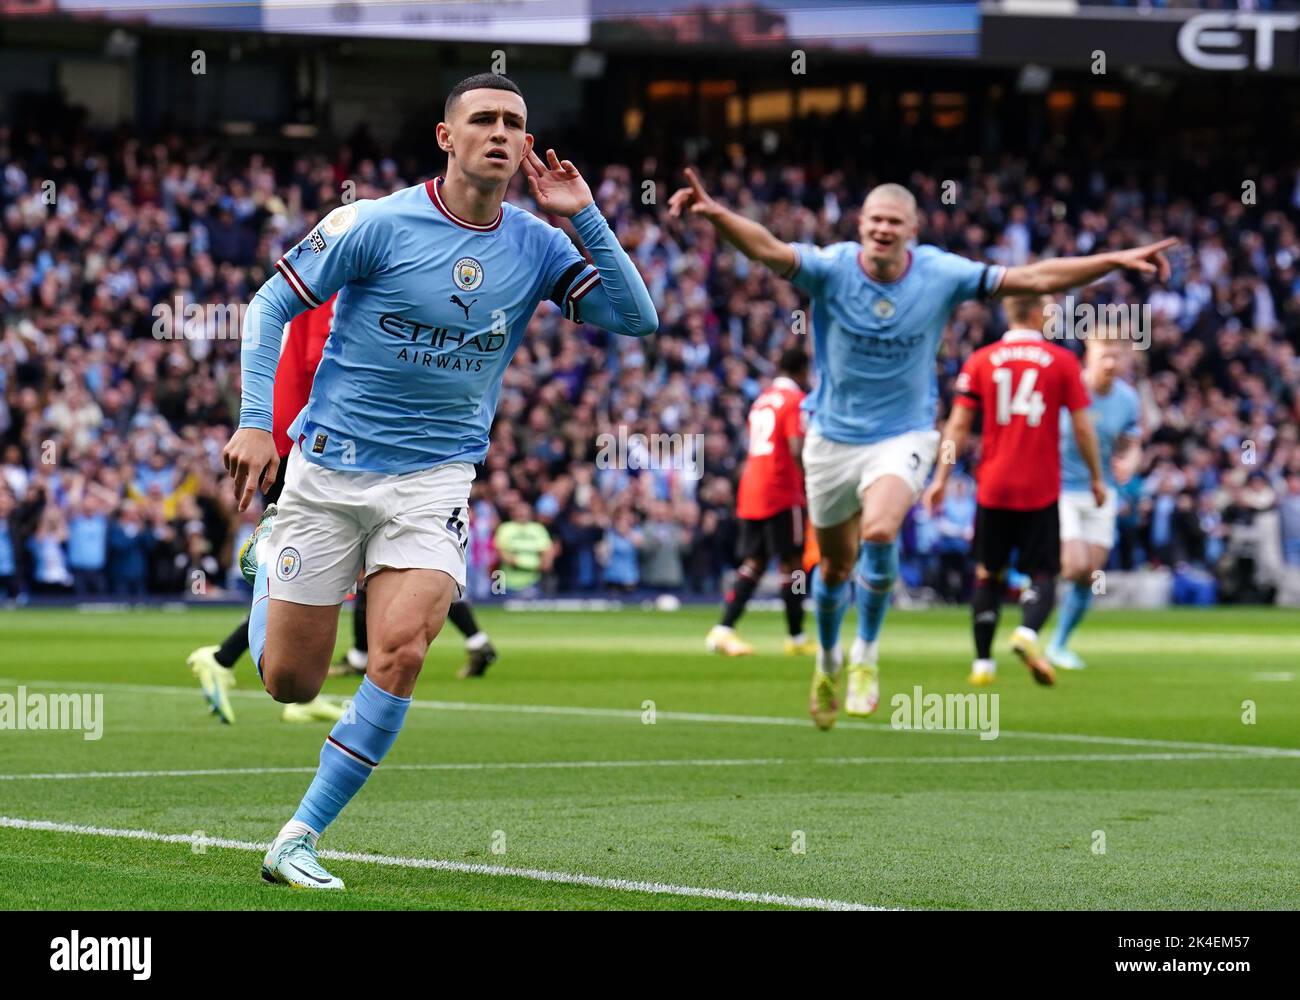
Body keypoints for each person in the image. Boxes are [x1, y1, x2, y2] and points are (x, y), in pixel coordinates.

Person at [222, 73, 656, 890]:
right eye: (483, 119)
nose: (501, 132)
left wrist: (587, 217)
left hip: (434, 480)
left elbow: (637, 318)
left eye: (515, 123)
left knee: (403, 650)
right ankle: (266, 557)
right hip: (329, 471)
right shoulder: (375, 222)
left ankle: (299, 836)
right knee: (289, 683)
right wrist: (254, 420)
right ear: (445, 137)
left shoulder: (538, 244)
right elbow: (267, 305)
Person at [669, 170, 1171, 729]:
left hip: (902, 434)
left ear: (913, 229)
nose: (883, 229)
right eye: (874, 220)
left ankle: (866, 653)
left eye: (894, 222)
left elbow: (1036, 275)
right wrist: (716, 215)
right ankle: (831, 659)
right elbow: (767, 248)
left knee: (880, 531)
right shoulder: (832, 267)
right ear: (861, 226)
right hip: (832, 437)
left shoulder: (941, 273)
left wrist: (1114, 261)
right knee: (834, 566)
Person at [924, 295, 1105, 686]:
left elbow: (956, 427)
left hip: (994, 485)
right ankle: (1026, 633)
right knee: (1044, 571)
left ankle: (982, 664)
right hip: (1039, 486)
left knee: (988, 572)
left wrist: (941, 476)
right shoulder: (1062, 362)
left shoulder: (981, 360)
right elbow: (1083, 427)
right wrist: (1096, 476)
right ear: (1038, 313)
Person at [706, 347, 813, 656]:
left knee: (755, 562)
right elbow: (795, 446)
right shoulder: (795, 401)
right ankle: (796, 637)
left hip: (753, 486)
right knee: (793, 565)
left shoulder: (762, 399)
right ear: (802, 372)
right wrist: (810, 481)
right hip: (781, 488)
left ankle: (723, 630)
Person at [1047, 334, 1143, 670]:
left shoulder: (1128, 399)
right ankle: (1035, 588)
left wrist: (1129, 461)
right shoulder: (1067, 389)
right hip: (1061, 488)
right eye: (1104, 355)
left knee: (1090, 574)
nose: (1110, 363)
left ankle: (1058, 644)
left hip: (1101, 493)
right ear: (1089, 355)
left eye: (1117, 357)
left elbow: (1131, 442)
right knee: (1074, 566)